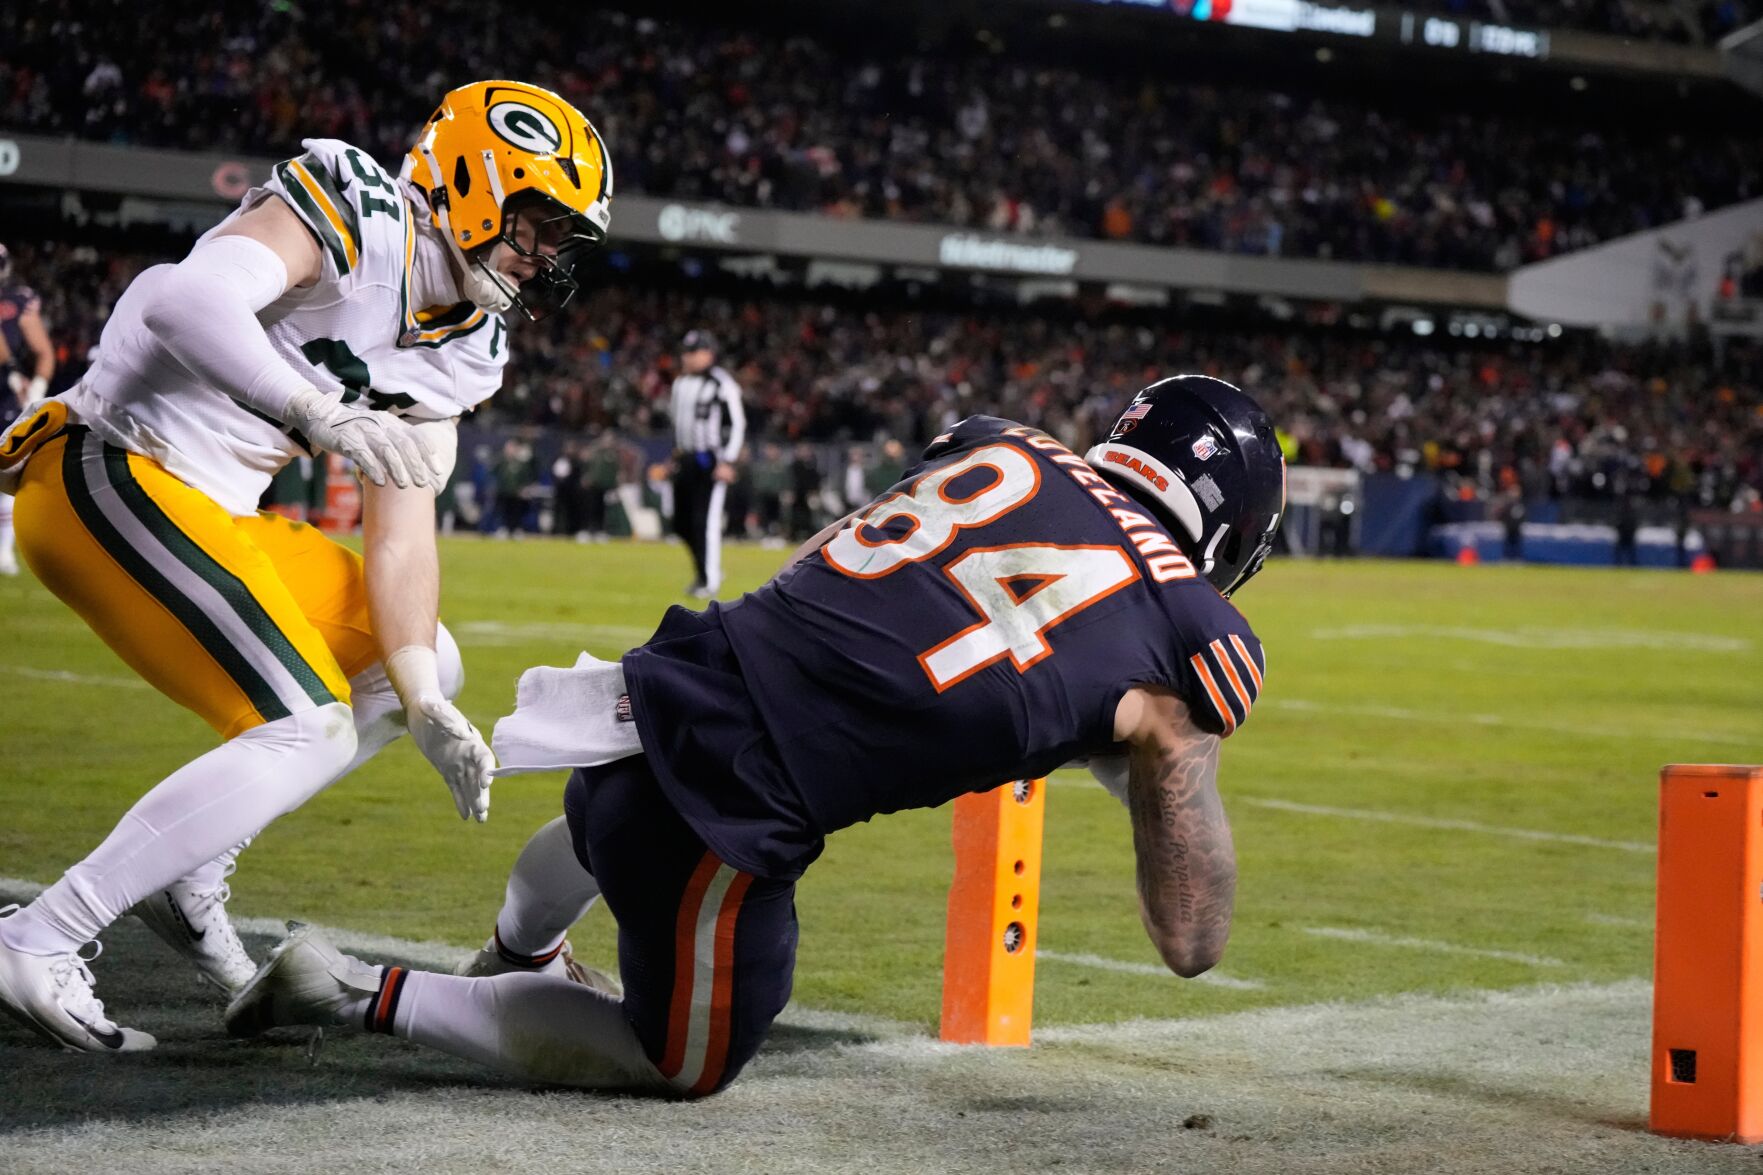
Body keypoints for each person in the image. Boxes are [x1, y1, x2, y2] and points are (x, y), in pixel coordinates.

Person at [227, 375, 1287, 1097]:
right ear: (1230, 527)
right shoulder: (1184, 628)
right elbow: (1189, 940)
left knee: (616, 808)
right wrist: (1164, 746)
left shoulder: (1001, 448)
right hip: (727, 806)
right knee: (686, 1058)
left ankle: (518, 946)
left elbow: (901, 606)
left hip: (658, 687)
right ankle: (356, 987)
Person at [0, 80, 614, 1053]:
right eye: (535, 223)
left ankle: (189, 870)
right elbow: (182, 300)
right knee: (303, 725)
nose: (542, 256)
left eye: (558, 239)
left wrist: (420, 702)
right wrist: (315, 412)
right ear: (467, 180)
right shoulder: (358, 206)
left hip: (212, 508)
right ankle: (41, 935)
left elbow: (400, 531)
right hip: (110, 461)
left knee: (431, 665)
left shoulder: (468, 347)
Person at [668, 330, 745, 598]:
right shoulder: (680, 383)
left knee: (705, 521)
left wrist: (728, 460)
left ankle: (708, 579)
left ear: (708, 354)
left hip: (709, 459)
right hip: (686, 457)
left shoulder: (722, 383)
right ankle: (706, 568)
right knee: (680, 522)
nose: (686, 357)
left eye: (693, 352)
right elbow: (680, 425)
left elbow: (736, 424)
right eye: (685, 352)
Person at [0, 243, 56, 576]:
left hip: (6, 397)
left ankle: (3, 551)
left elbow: (44, 353)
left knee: (5, 469)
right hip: (7, 381)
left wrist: (35, 389)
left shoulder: (16, 301)